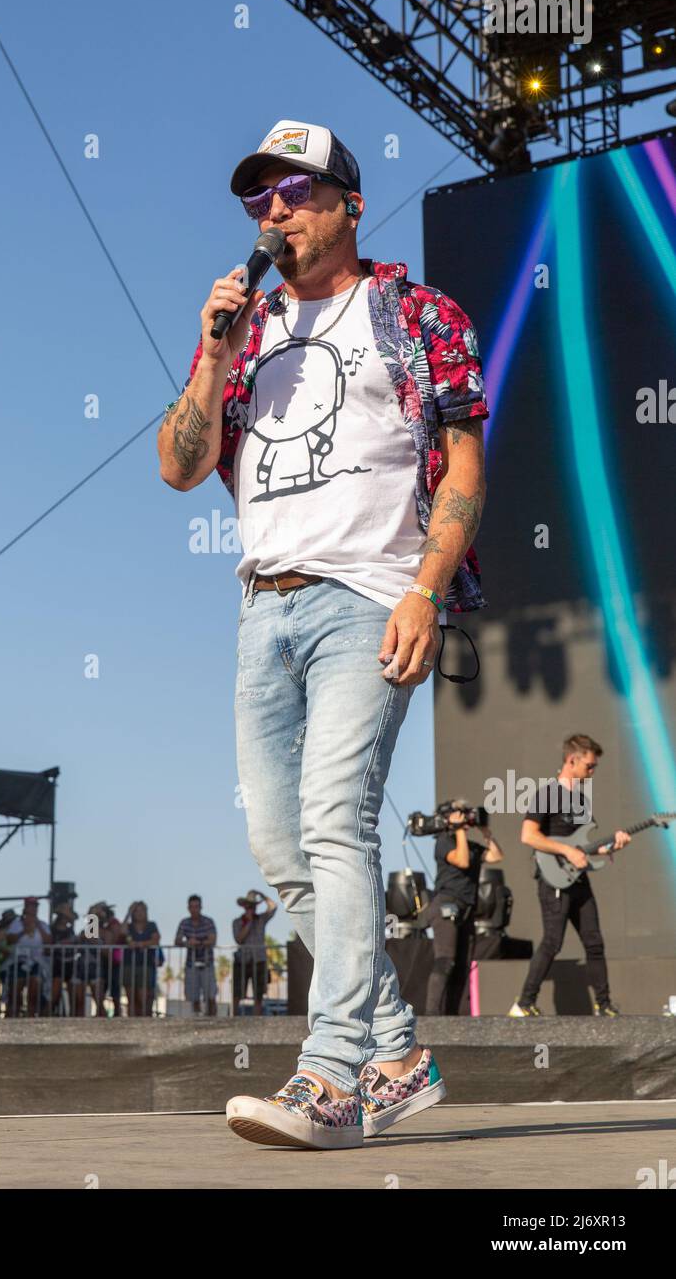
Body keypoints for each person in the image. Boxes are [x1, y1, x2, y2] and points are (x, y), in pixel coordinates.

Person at [158, 118, 488, 1148]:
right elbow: (178, 465)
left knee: (335, 823)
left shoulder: (414, 313)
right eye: (259, 200)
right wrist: (210, 355)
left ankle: (330, 1075)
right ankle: (397, 1055)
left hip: (366, 594)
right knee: (279, 843)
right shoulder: (249, 335)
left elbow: (464, 469)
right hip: (263, 604)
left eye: (294, 195)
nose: (275, 215)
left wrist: (424, 590)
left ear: (347, 204)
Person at [510, 735, 630, 1018]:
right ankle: (524, 1003)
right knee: (553, 941)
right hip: (553, 879)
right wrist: (567, 851)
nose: (592, 772)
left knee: (594, 941)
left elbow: (584, 845)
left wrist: (612, 845)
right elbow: (528, 835)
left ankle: (604, 1004)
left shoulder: (580, 800)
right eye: (589, 766)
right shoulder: (548, 793)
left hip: (578, 878)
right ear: (571, 760)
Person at [425, 804, 503, 1015]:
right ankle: (432, 1016)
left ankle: (456, 1018)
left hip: (466, 910)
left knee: (462, 966)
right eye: (458, 813)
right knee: (445, 960)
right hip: (445, 906)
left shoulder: (470, 846)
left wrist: (485, 830)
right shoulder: (443, 842)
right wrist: (458, 829)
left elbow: (496, 856)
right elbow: (461, 860)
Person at [0, 897, 52, 1017]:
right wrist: (24, 930)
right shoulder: (16, 923)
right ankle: (13, 1015)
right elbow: (9, 939)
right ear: (25, 907)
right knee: (15, 987)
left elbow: (49, 942)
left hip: (36, 962)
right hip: (17, 961)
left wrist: (37, 925)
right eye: (31, 906)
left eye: (35, 906)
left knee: (35, 985)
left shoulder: (43, 925)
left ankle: (30, 1015)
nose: (33, 909)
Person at [232, 889, 276, 1015]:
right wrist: (249, 922)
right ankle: (233, 1019)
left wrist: (262, 895)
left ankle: (257, 1019)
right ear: (244, 907)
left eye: (253, 906)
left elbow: (273, 906)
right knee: (237, 992)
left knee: (258, 994)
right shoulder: (237, 922)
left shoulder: (261, 919)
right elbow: (239, 939)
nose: (251, 909)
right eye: (249, 906)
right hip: (242, 961)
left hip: (259, 961)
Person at [80, 902, 125, 1017]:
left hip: (107, 965)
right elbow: (87, 935)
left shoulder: (110, 928)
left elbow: (107, 946)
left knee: (108, 995)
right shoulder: (91, 930)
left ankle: (114, 1015)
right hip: (94, 966)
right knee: (96, 997)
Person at [174, 896, 218, 1016]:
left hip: (207, 963)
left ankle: (214, 1021)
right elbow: (177, 940)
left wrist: (198, 942)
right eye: (192, 907)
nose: (194, 910)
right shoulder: (184, 923)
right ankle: (197, 1021)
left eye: (196, 907)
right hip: (191, 965)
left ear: (201, 907)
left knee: (211, 996)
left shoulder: (208, 922)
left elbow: (212, 940)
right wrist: (186, 943)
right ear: (188, 908)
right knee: (194, 997)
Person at [121, 901, 161, 1017]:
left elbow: (156, 939)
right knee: (131, 998)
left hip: (145, 965)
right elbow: (122, 932)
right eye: (136, 911)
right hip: (129, 964)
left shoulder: (151, 925)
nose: (139, 913)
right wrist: (128, 913)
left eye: (141, 910)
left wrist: (140, 944)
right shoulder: (129, 926)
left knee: (143, 998)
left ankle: (144, 1023)